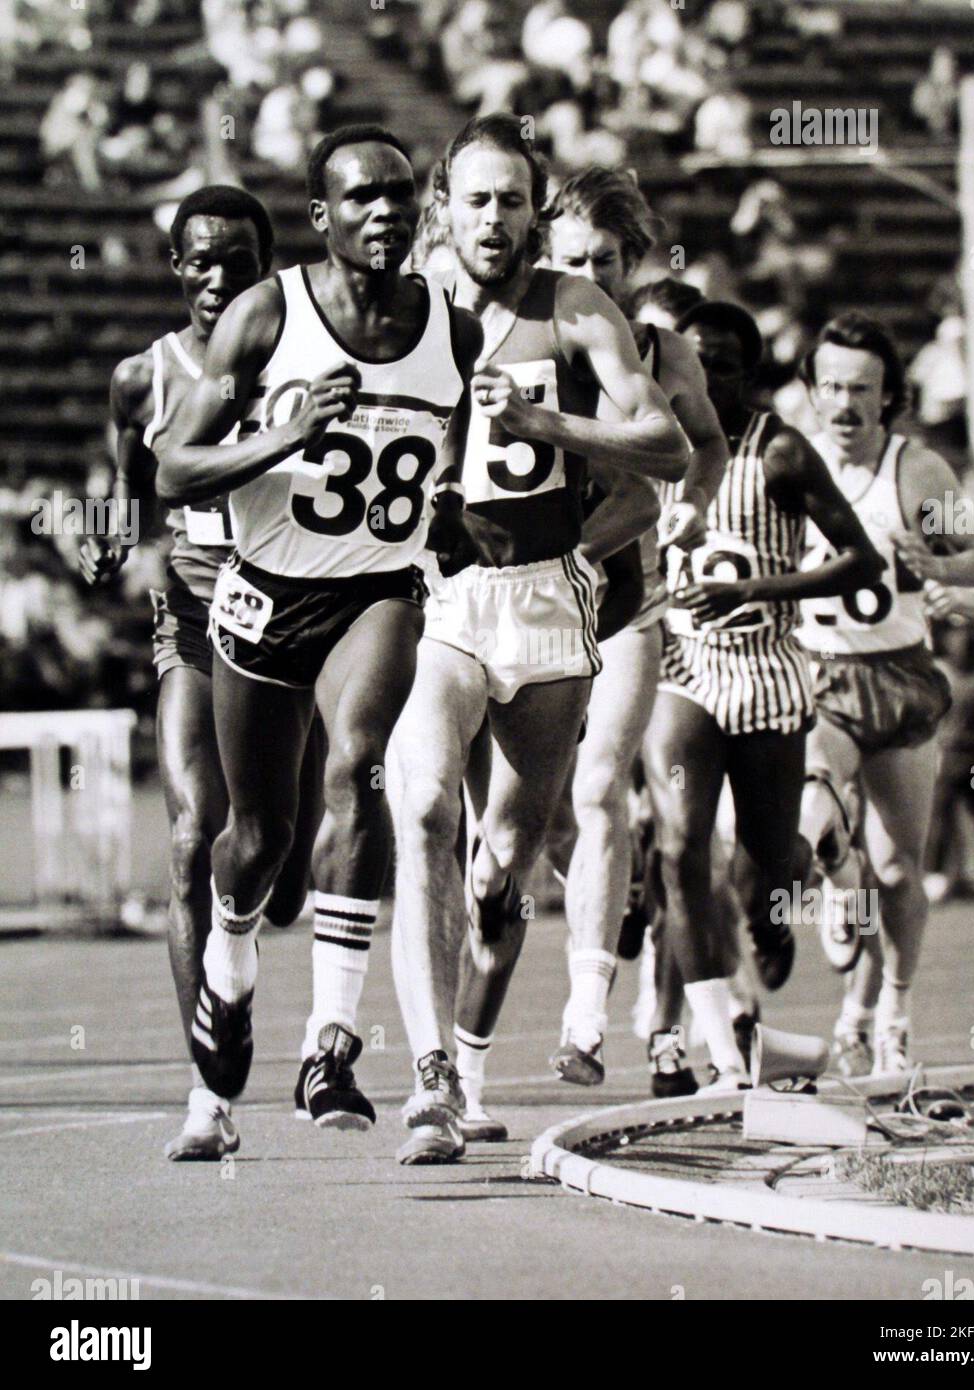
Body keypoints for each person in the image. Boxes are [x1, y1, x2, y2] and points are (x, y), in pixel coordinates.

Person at [155, 125, 482, 1131]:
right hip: (261, 594)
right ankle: (232, 957)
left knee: (357, 766)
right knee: (256, 841)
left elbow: (449, 447)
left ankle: (329, 1049)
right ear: (320, 216)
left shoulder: (449, 327)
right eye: (360, 197)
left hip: (374, 590)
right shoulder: (266, 314)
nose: (384, 211)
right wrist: (286, 434)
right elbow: (173, 465)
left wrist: (454, 512)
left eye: (399, 193)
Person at [387, 113, 687, 1163]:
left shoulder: (576, 308)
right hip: (447, 604)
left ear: (530, 209)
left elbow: (669, 447)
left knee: (503, 866)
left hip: (550, 606)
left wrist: (548, 426)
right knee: (423, 801)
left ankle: (468, 1068)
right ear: (444, 206)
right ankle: (427, 1082)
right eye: (474, 197)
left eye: (511, 199)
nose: (493, 218)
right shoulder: (408, 310)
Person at [81, 185, 324, 1161]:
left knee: (284, 873)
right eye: (199, 260)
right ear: (177, 269)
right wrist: (101, 544)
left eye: (238, 257)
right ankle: (209, 1090)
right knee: (193, 838)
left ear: (268, 261)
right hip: (191, 615)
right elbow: (121, 489)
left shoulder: (309, 361)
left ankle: (257, 933)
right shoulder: (143, 376)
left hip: (296, 618)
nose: (217, 276)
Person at [641, 301, 884, 1089]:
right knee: (679, 849)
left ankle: (797, 883)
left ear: (749, 374)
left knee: (763, 897)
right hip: (685, 675)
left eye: (722, 363)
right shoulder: (650, 443)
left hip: (770, 676)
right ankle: (712, 1046)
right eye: (693, 360)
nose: (704, 377)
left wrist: (762, 585)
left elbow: (862, 562)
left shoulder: (779, 451)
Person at [540, 167, 727, 1086]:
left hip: (624, 596)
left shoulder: (659, 352)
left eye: (605, 261)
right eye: (569, 258)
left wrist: (692, 502)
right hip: (521, 605)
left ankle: (588, 1015)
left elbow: (708, 443)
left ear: (632, 262)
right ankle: (603, 898)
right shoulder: (510, 340)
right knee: (534, 826)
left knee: (602, 784)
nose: (588, 275)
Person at [795, 312, 974, 1076]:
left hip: (900, 676)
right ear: (811, 393)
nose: (846, 405)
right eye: (833, 388)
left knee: (901, 867)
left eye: (862, 390)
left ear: (888, 398)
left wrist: (939, 566)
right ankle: (843, 895)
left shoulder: (917, 472)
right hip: (818, 673)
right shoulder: (793, 461)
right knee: (815, 809)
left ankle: (887, 1012)